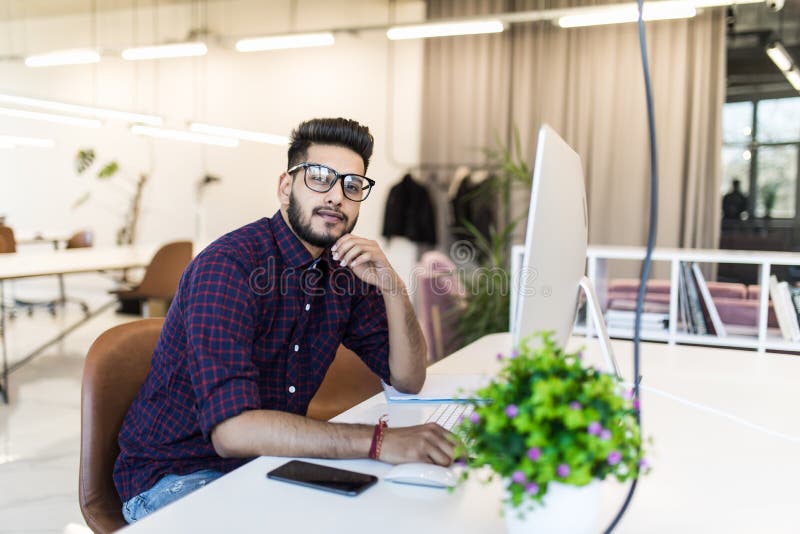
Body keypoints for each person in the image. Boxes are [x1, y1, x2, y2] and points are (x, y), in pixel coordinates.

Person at [114, 118, 456, 523]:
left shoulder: (344, 270)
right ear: (285, 187)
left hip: (261, 463)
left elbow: (409, 378)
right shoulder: (229, 267)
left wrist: (393, 285)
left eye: (351, 185)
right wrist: (380, 442)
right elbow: (232, 432)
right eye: (319, 178)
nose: (336, 197)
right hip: (174, 475)